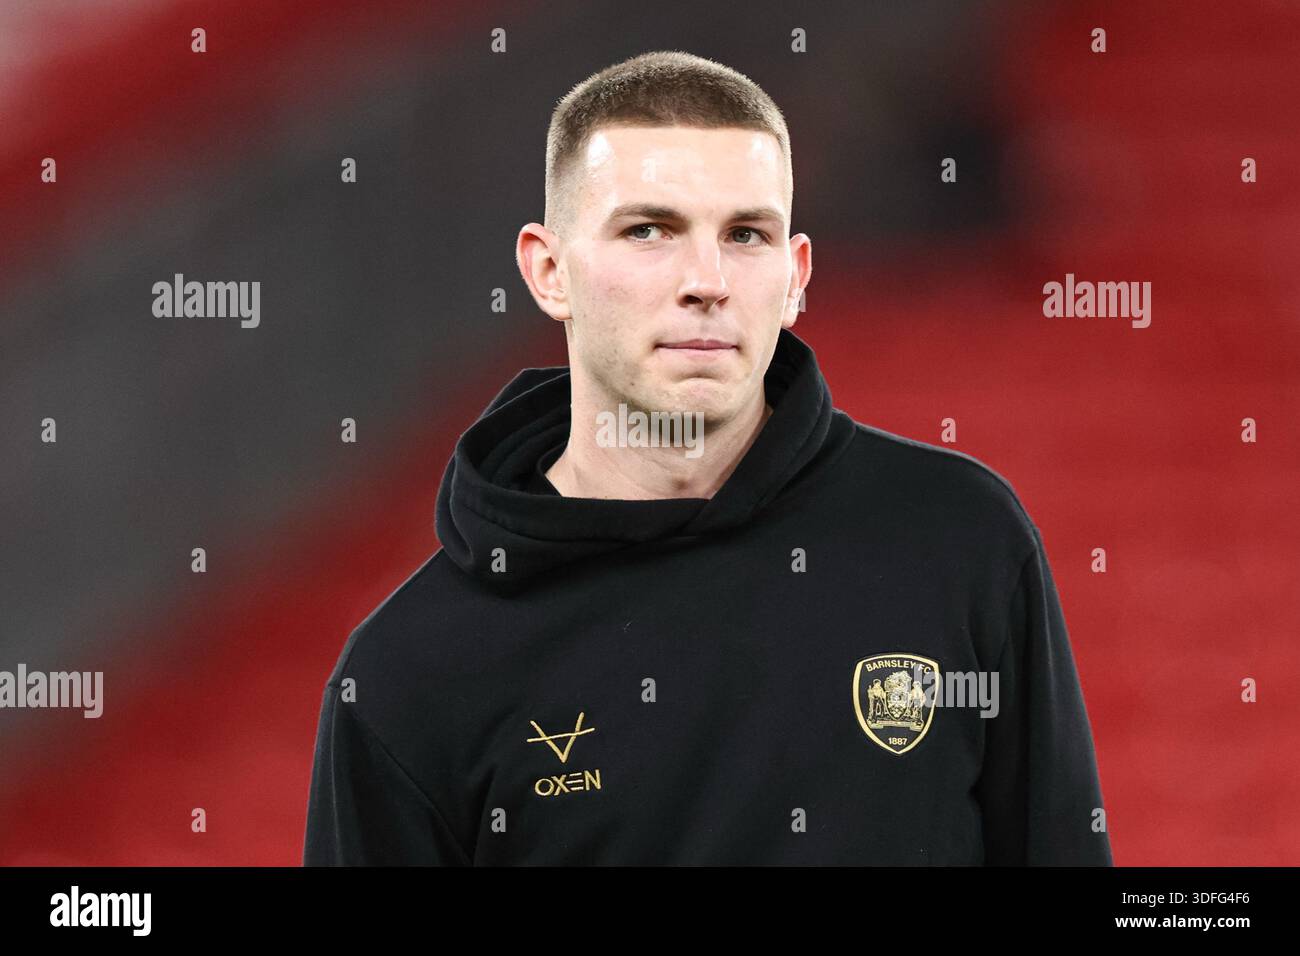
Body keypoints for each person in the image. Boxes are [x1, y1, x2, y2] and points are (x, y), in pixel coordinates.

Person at [303, 49, 1113, 866]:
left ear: (795, 277)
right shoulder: (410, 675)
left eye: (745, 234)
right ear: (549, 272)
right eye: (648, 230)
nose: (707, 280)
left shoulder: (958, 538)